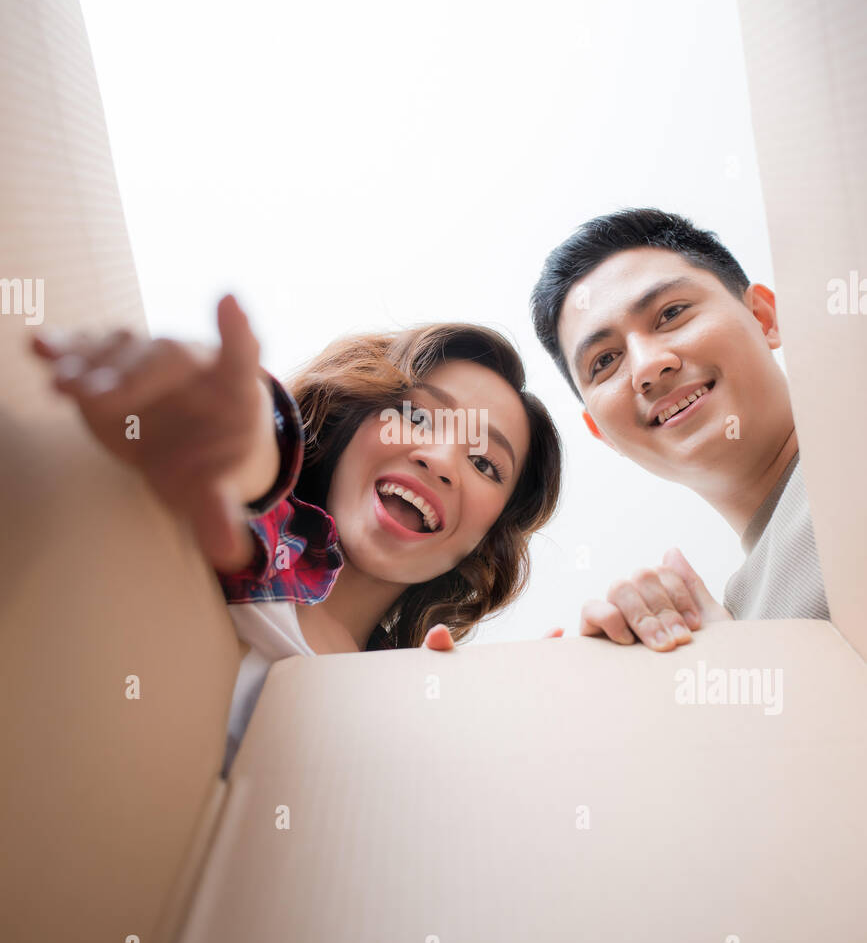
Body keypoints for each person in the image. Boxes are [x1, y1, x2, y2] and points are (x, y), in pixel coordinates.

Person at [30, 296, 563, 769]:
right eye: (418, 417)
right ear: (350, 417)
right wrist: (239, 431)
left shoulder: (413, 705)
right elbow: (256, 464)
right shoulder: (251, 527)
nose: (440, 460)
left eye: (486, 464)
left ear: (487, 540)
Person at [530, 206, 828, 652]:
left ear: (763, 317)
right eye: (605, 361)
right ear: (604, 435)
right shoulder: (734, 624)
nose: (647, 366)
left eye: (671, 314)